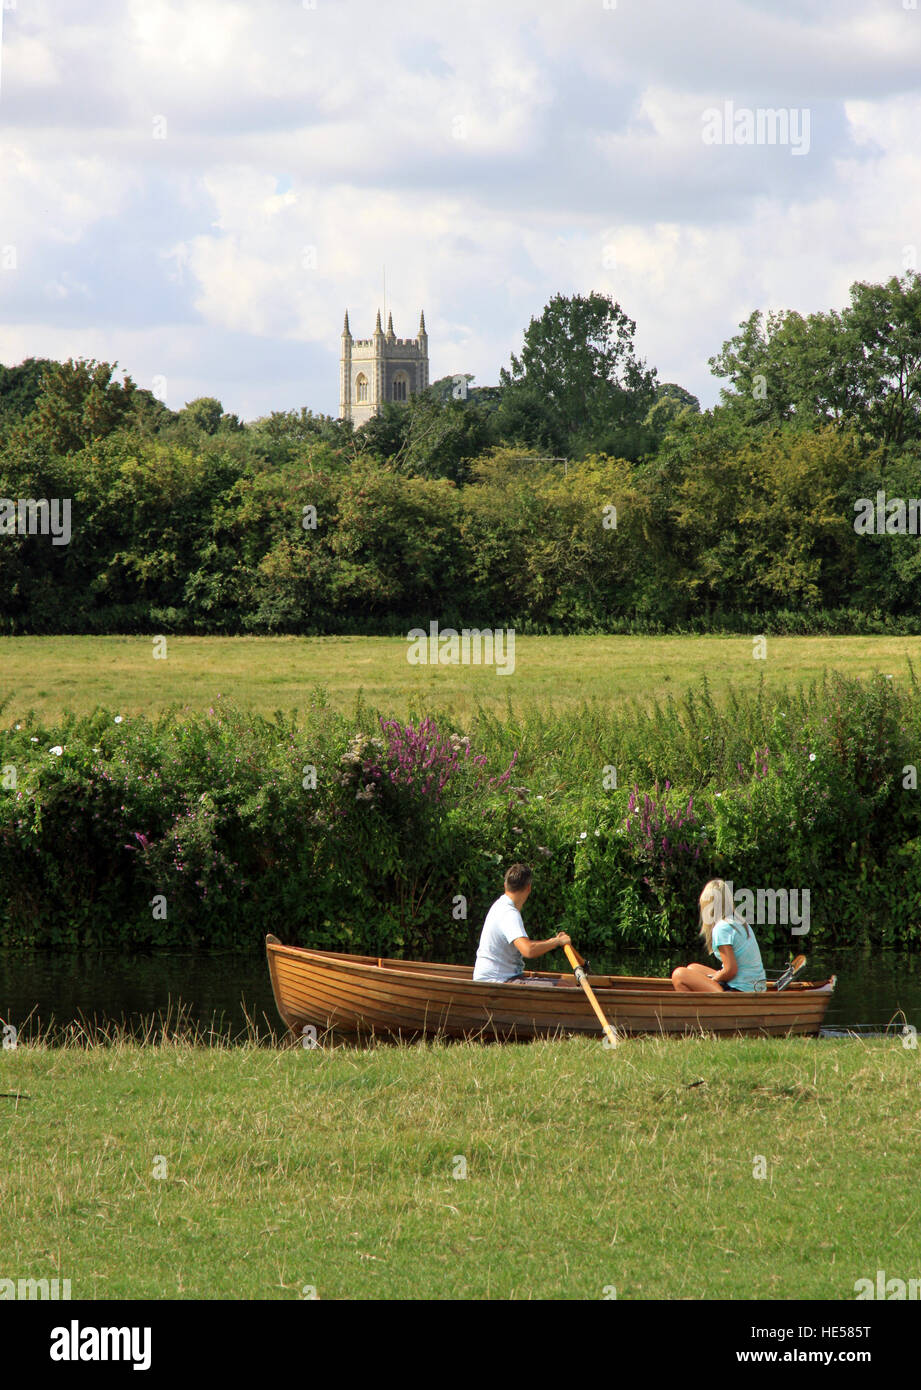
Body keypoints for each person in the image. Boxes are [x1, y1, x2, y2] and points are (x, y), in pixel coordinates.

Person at [473, 863, 570, 984]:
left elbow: (526, 945)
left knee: (567, 983)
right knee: (566, 985)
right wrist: (556, 942)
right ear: (528, 888)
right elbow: (528, 950)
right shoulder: (509, 913)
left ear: (505, 885)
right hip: (497, 981)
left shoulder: (500, 904)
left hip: (498, 978)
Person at [671, 878, 766, 993]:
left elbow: (731, 970)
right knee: (692, 968)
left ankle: (697, 1009)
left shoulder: (722, 927)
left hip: (740, 991)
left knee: (679, 974)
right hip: (754, 987)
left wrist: (713, 980)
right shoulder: (739, 921)